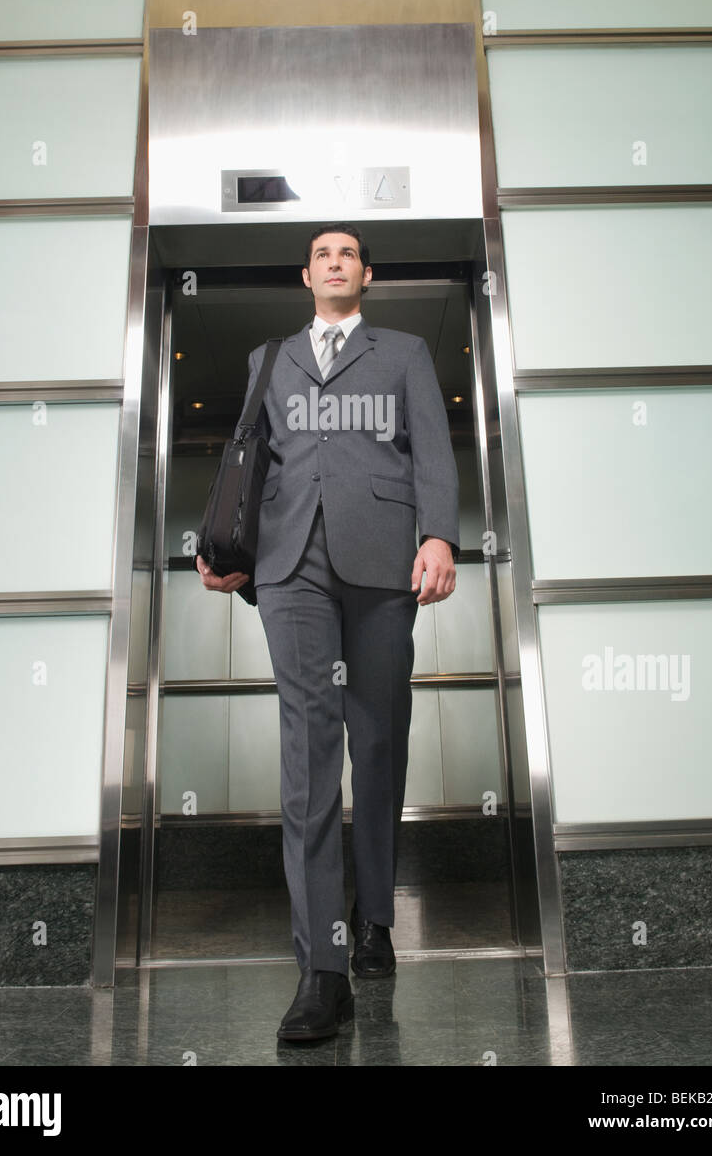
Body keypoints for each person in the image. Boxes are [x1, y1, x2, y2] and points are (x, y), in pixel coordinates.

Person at [196, 223, 459, 1041]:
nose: (334, 262)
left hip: (382, 561)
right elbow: (250, 459)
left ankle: (373, 913)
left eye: (347, 253)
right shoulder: (268, 360)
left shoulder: (404, 352)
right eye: (321, 254)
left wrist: (439, 533)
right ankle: (320, 969)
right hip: (289, 567)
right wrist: (221, 546)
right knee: (308, 749)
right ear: (306, 275)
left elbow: (432, 452)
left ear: (366, 274)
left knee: (376, 740)